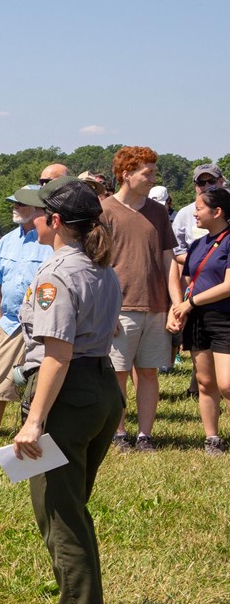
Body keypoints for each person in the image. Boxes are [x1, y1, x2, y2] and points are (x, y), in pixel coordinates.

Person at [12, 176, 122, 604]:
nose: (31, 218)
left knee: (60, 512)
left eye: (38, 212)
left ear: (55, 221)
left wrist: (34, 421)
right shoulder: (101, 268)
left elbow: (57, 354)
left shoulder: (57, 274)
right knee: (71, 506)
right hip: (101, 387)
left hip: (67, 393)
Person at [100, 146, 176, 452]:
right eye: (148, 173)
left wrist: (176, 304)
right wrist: (106, 310)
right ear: (126, 174)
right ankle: (119, 434)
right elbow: (96, 264)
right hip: (120, 308)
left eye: (154, 172)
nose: (153, 178)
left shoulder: (158, 213)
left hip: (156, 306)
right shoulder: (104, 211)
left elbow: (169, 260)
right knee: (118, 373)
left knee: (148, 373)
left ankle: (145, 436)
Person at [0, 186, 51, 443]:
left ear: (37, 208)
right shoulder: (6, 241)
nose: (14, 207)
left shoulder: (51, 241)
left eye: (20, 204)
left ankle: (40, 430)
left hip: (42, 324)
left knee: (42, 380)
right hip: (10, 323)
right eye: (14, 202)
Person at [167, 187, 230, 454]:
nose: (194, 213)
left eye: (199, 208)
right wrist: (176, 309)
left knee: (227, 384)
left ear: (217, 212)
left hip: (224, 319)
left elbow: (228, 285)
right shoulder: (197, 245)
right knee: (205, 382)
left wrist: (190, 303)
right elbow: (188, 281)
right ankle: (212, 439)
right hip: (197, 321)